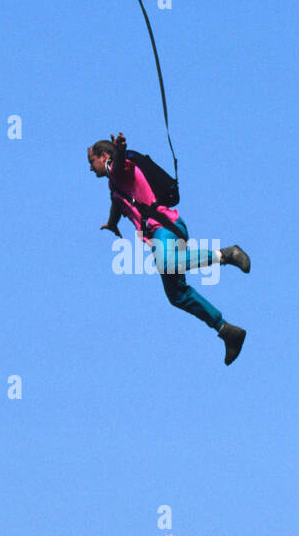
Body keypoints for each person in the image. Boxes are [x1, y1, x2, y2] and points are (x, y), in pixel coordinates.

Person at [88, 132, 250, 364]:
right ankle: (227, 331)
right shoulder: (115, 186)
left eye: (91, 162)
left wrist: (121, 148)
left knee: (167, 264)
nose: (91, 168)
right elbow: (116, 203)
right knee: (176, 295)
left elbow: (120, 164)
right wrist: (113, 223)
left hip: (166, 226)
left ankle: (226, 254)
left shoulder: (119, 168)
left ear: (104, 157)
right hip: (159, 235)